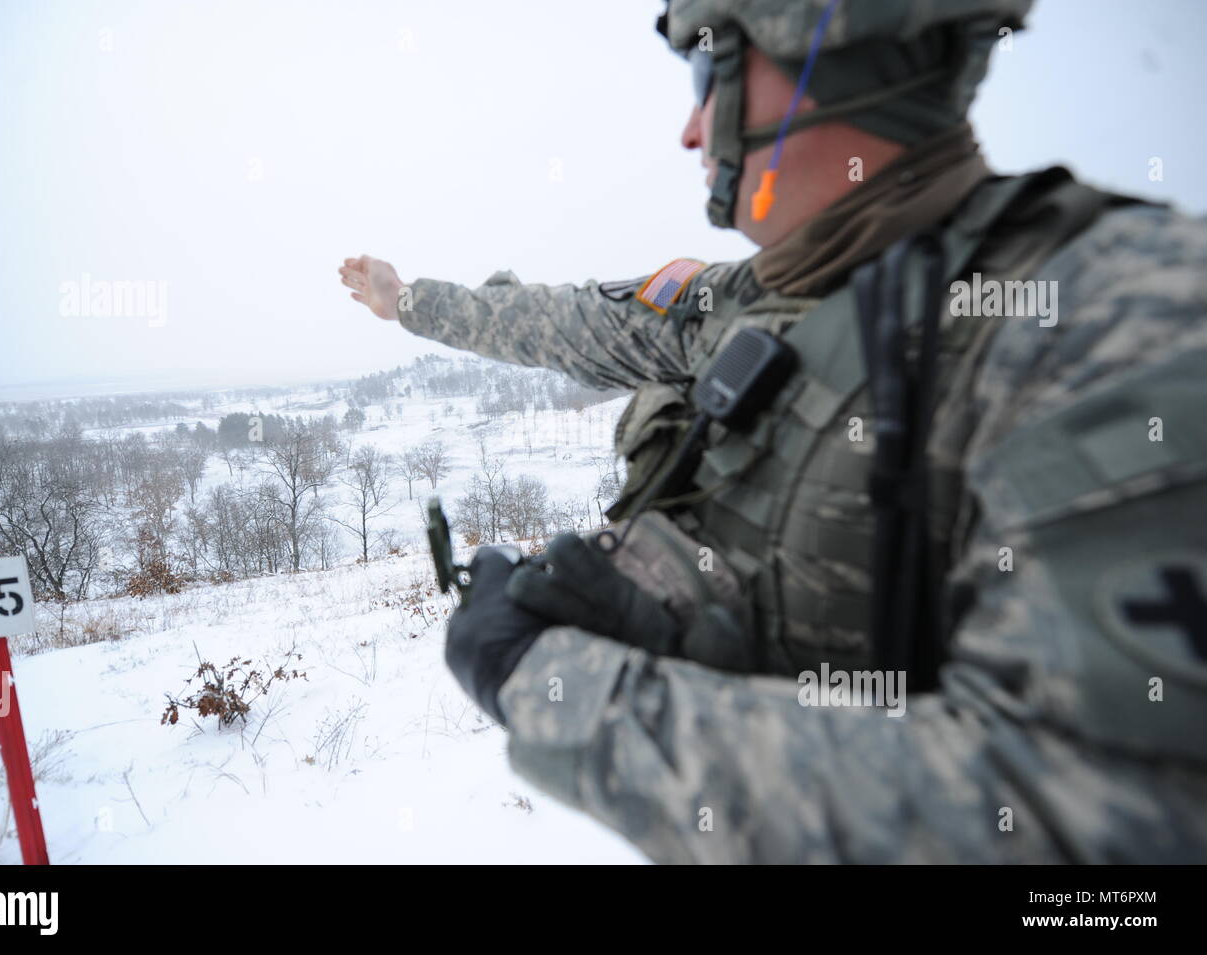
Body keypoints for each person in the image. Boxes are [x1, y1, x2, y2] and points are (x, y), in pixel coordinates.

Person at [339, 0, 1207, 863]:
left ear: (828, 65)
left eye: (707, 74)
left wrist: (565, 692)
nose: (690, 130)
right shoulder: (746, 300)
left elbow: (1090, 833)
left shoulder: (1124, 312)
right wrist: (407, 300)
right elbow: (563, 322)